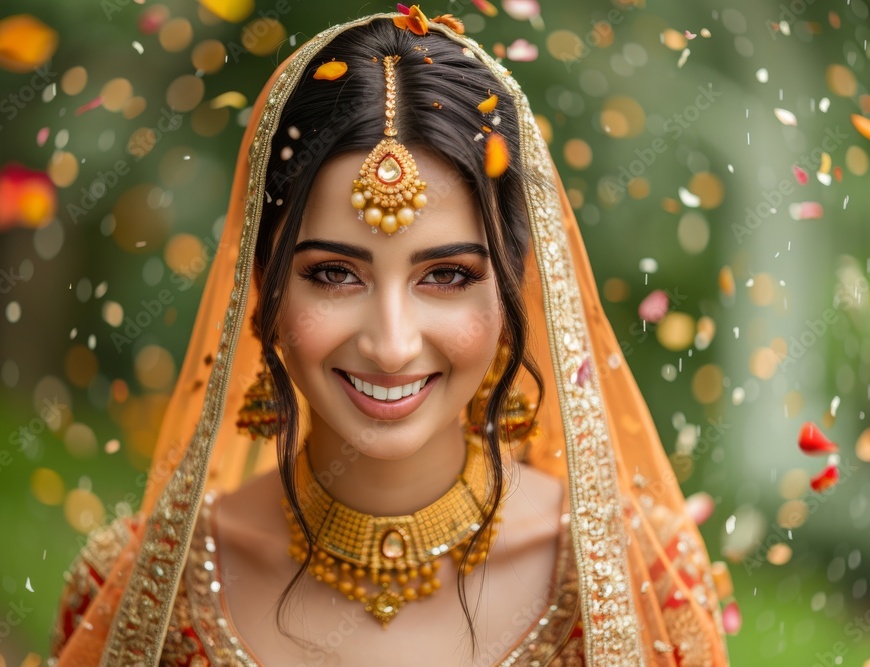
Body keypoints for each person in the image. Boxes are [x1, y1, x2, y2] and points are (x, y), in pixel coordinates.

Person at [51, 10, 731, 666]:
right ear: (263, 288)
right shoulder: (144, 587)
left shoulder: (638, 579)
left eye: (445, 275)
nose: (393, 343)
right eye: (335, 273)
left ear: (515, 284)